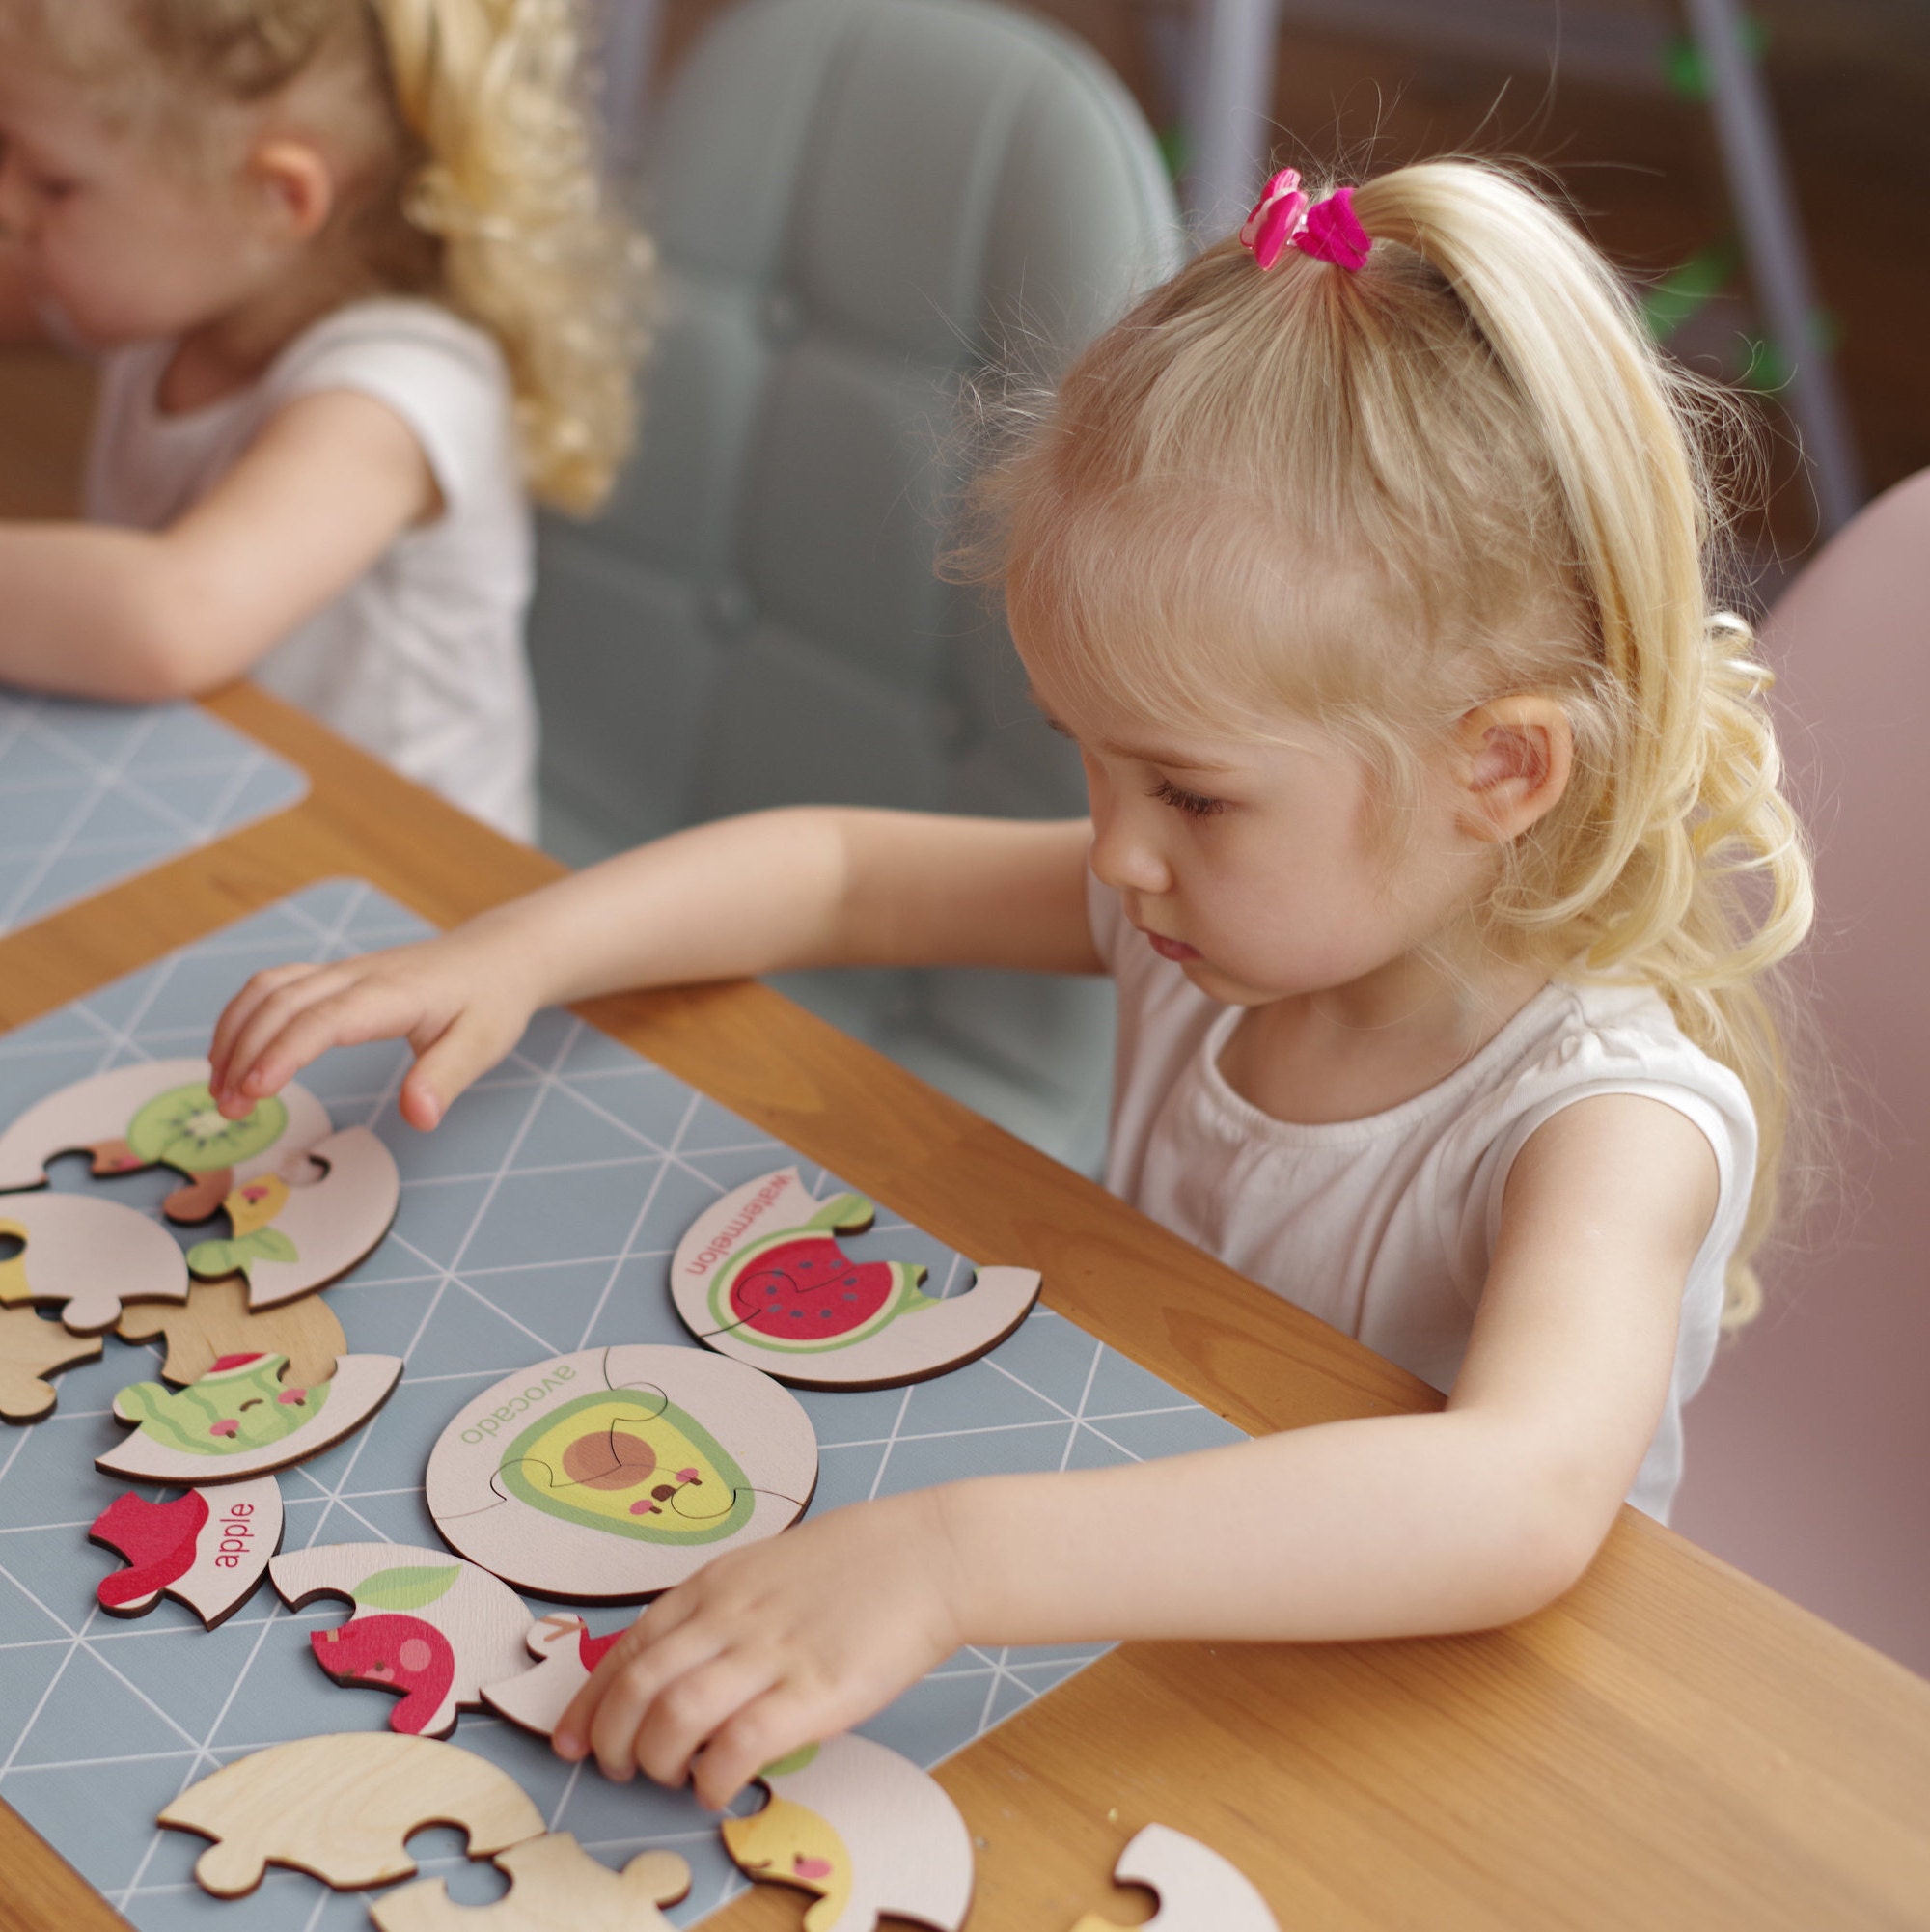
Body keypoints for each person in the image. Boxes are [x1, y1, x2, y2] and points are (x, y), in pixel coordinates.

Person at [204, 160, 1813, 1809]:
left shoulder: (1610, 1122)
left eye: (1187, 792)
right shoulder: (1214, 922)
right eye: (1088, 764)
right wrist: (515, 948)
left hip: (1461, 1746)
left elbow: (1519, 1495)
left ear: (1502, 768)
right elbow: (836, 871)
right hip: (1157, 1596)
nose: (1114, 854)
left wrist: (953, 1560)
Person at [0, 0, 648, 841]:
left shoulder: (395, 393)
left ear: (278, 198)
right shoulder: (178, 283)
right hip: (207, 797)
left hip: (406, 891)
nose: (9, 209)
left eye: (51, 183)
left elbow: (168, 618)